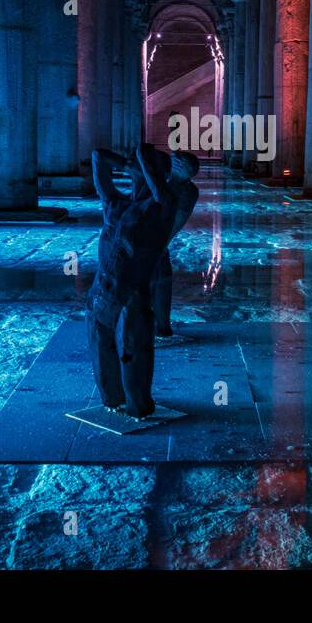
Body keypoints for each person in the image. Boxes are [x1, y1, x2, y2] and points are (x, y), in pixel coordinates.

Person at [87, 144, 180, 418]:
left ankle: (139, 405)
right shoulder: (116, 204)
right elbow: (97, 156)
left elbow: (161, 192)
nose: (133, 172)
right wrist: (130, 162)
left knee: (133, 351)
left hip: (131, 293)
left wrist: (143, 160)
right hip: (100, 291)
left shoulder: (161, 208)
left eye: (140, 169)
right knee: (100, 347)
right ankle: (111, 399)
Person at [150, 151, 201, 336]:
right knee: (162, 280)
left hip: (151, 243)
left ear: (179, 168)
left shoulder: (169, 190)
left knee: (152, 283)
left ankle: (155, 324)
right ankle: (162, 324)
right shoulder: (191, 190)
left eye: (173, 162)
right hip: (162, 243)